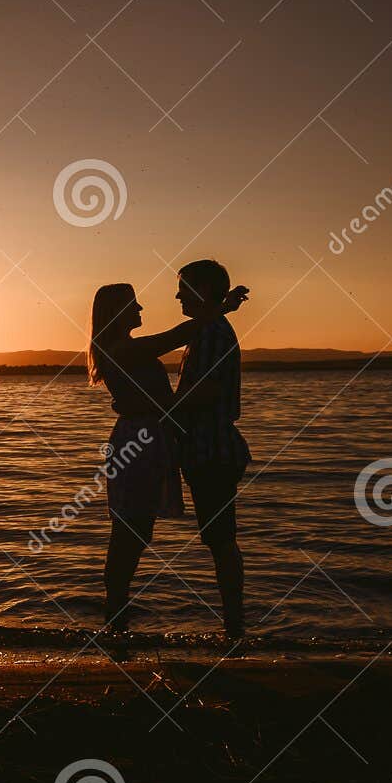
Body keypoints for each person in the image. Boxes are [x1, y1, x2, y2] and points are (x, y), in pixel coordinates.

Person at [87, 280, 247, 631]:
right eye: (133, 304)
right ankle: (115, 617)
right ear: (117, 312)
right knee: (130, 531)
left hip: (150, 440)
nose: (141, 309)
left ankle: (117, 617)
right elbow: (175, 337)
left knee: (135, 531)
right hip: (138, 443)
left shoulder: (124, 347)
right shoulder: (120, 348)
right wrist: (221, 308)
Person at [173, 259, 251, 638]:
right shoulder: (209, 329)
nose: (176, 295)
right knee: (218, 537)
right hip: (208, 449)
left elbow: (203, 390)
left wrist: (162, 410)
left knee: (220, 539)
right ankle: (233, 622)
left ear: (200, 291)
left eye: (183, 288)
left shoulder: (212, 334)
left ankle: (233, 626)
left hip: (212, 450)